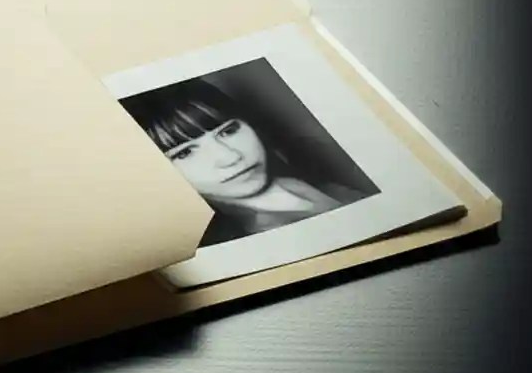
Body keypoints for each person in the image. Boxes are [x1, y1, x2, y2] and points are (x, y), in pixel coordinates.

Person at [120, 76, 368, 246]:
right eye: (184, 153)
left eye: (228, 131)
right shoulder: (256, 240)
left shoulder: (323, 165)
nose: (230, 156)